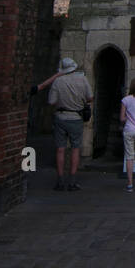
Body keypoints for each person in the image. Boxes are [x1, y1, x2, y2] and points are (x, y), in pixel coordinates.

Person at [48, 58, 92, 192]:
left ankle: (60, 180)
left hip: (61, 117)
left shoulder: (57, 81)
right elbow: (90, 97)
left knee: (60, 149)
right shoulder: (82, 80)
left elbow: (51, 101)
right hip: (76, 117)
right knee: (75, 149)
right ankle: (72, 181)